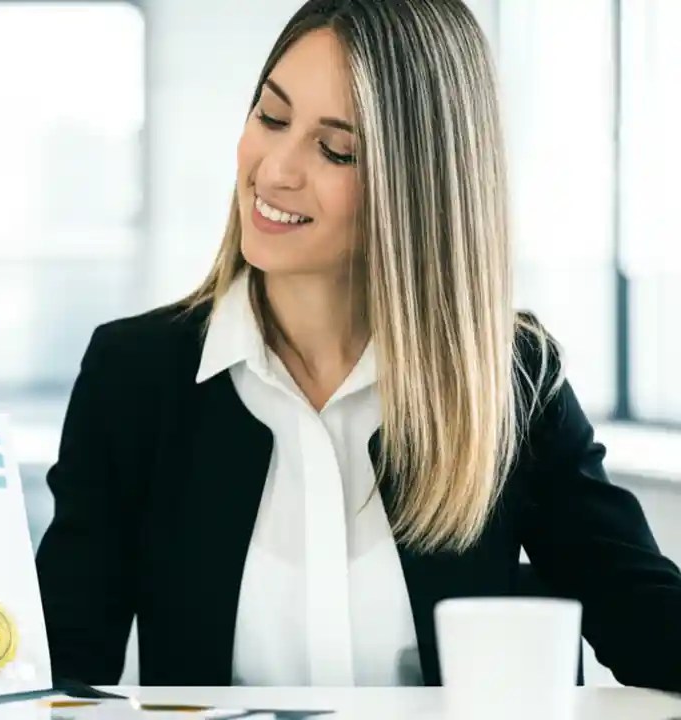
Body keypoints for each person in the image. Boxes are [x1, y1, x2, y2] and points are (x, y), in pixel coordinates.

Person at [35, 0, 681, 692]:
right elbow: (56, 671)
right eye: (271, 117)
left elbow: (647, 621)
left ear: (421, 187)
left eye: (335, 149)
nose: (276, 169)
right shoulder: (133, 376)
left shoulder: (509, 377)